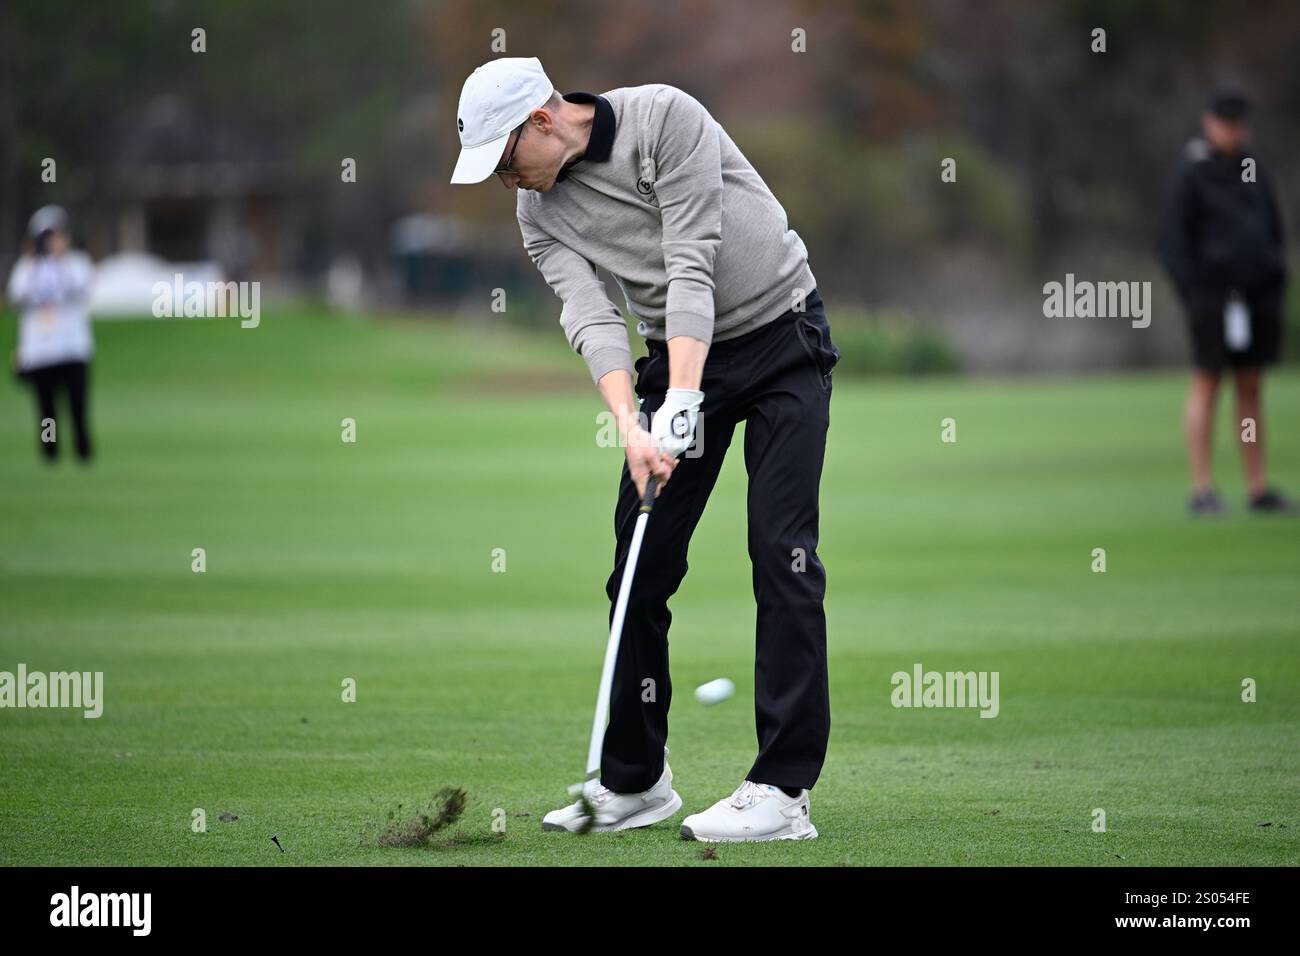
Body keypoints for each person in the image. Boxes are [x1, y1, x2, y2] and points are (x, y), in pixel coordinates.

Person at [450, 57, 837, 841]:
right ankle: (635, 782)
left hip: (781, 338)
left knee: (781, 552)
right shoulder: (538, 212)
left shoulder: (666, 117)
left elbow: (690, 259)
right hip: (678, 358)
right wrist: (633, 424)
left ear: (543, 122)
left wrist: (687, 400)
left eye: (504, 160)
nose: (504, 182)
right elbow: (592, 320)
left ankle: (782, 791)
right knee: (639, 560)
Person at [1158, 82, 1293, 515]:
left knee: (1250, 387)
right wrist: (1193, 290)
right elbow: (1171, 240)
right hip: (1212, 296)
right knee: (1208, 381)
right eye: (1226, 124)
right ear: (1209, 124)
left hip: (1256, 295)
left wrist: (1274, 275)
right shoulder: (1192, 173)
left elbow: (1271, 226)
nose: (1233, 133)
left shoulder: (1252, 168)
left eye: (1239, 125)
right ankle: (1202, 487)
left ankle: (1257, 485)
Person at [7, 205, 97, 463]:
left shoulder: (75, 263)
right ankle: (50, 453)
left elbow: (82, 287)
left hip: (72, 347)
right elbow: (17, 296)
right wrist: (37, 265)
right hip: (41, 350)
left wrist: (60, 262)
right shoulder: (27, 268)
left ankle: (83, 452)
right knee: (47, 409)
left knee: (77, 404)